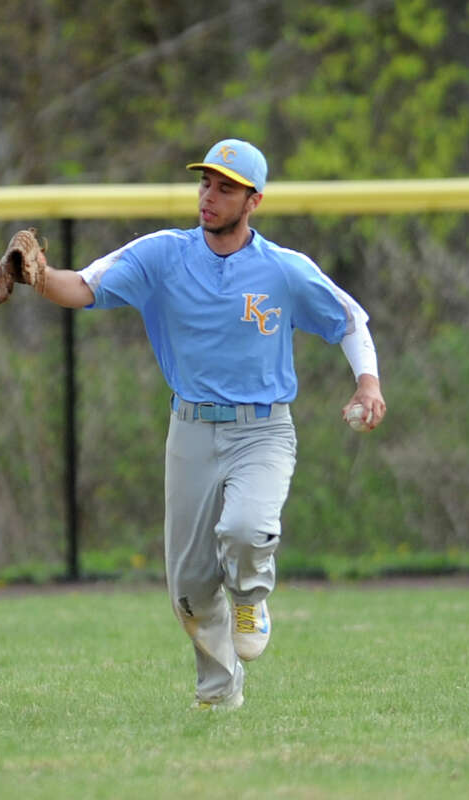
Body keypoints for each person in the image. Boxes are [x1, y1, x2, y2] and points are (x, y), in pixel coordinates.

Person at [28, 139, 385, 710]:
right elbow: (83, 287)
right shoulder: (163, 255)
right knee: (189, 592)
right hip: (190, 431)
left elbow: (348, 319)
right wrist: (35, 275)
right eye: (205, 184)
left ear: (254, 201)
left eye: (226, 187)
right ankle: (218, 698)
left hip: (262, 430)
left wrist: (367, 381)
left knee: (245, 530)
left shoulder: (283, 270)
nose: (209, 196)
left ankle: (250, 595)